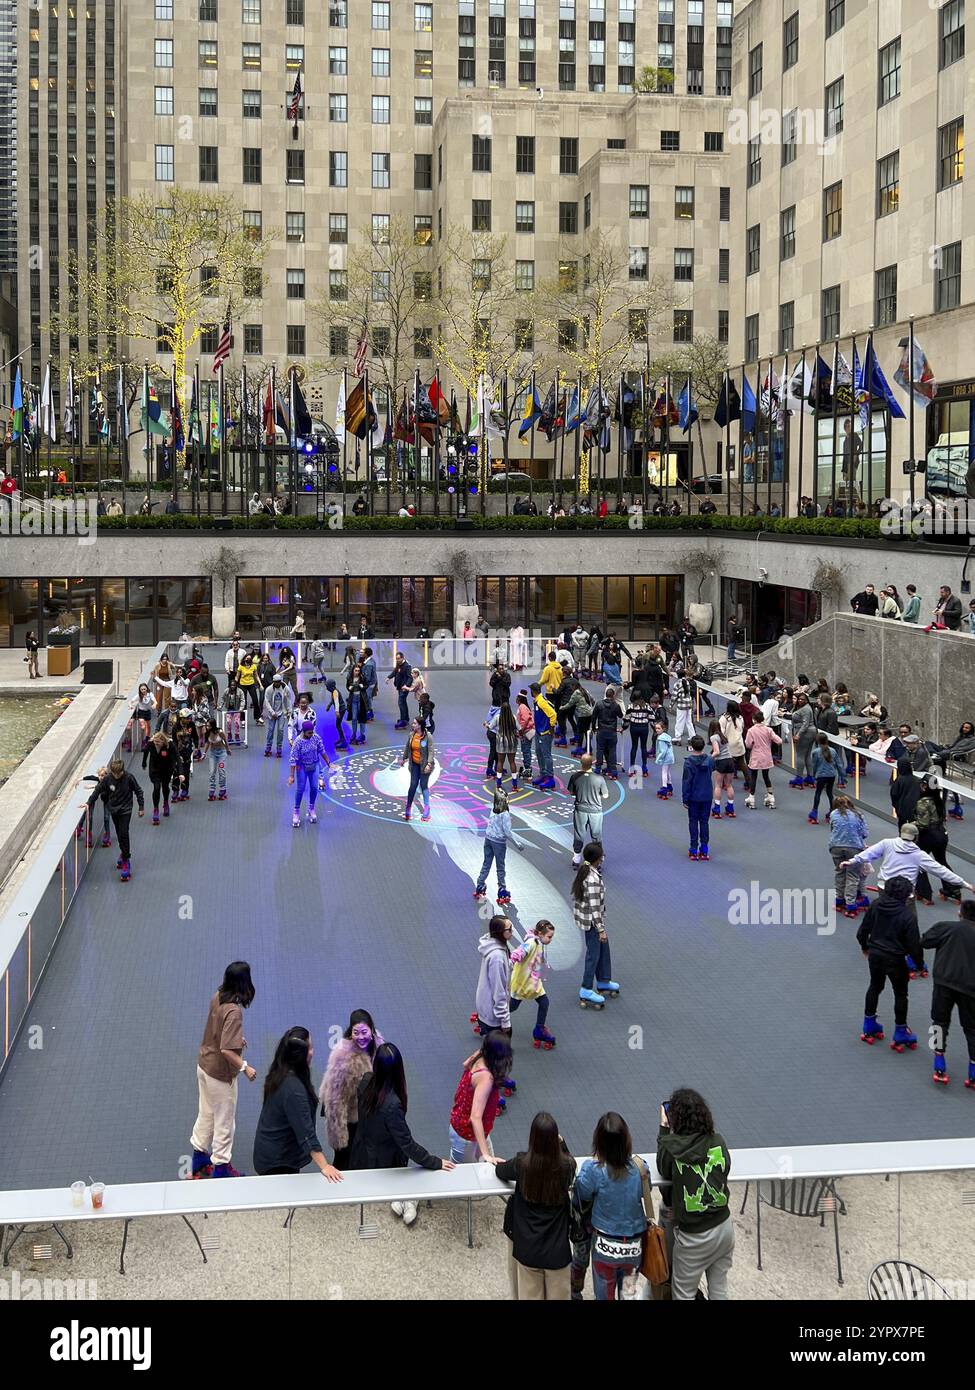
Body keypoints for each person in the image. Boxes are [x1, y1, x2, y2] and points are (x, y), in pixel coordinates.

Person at [349, 1043, 455, 1226]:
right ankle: (408, 1200)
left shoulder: (366, 1082)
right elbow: (406, 1143)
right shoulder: (392, 1105)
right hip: (386, 1160)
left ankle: (400, 1201)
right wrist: (434, 1162)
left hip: (363, 1153)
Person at [656, 1089, 734, 1301]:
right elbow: (725, 1169)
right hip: (724, 1228)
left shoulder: (674, 1149)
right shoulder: (718, 1141)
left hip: (694, 1238)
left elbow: (663, 1167)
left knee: (683, 1294)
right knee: (719, 1289)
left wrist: (664, 1129)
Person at [497, 1111, 575, 1301]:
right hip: (557, 1251)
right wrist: (562, 1143)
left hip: (527, 1248)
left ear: (532, 1138)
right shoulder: (565, 1167)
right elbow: (570, 1160)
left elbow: (501, 1170)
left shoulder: (522, 1164)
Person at [189, 961, 256, 1179]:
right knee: (225, 1122)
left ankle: (199, 1160)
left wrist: (237, 1037)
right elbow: (227, 1050)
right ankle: (221, 1168)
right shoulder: (234, 1010)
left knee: (206, 1113)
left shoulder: (217, 995)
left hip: (204, 1066)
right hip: (220, 1075)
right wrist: (245, 1067)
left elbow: (218, 1029)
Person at [573, 1113, 648, 1301]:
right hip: (634, 1246)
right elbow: (645, 1190)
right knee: (629, 1293)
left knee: (604, 1295)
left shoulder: (593, 1170)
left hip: (604, 1248)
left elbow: (581, 1193)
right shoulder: (640, 1168)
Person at [253, 1028, 343, 1182]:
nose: (313, 1052)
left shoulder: (281, 1071)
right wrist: (325, 1165)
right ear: (303, 1054)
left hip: (271, 1153)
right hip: (278, 1163)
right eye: (311, 1048)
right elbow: (305, 1132)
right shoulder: (294, 1089)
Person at [856, 878, 922, 1050]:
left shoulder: (876, 905)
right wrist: (919, 964)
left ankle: (869, 1024)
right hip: (896, 959)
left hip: (875, 955)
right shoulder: (908, 916)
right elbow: (914, 944)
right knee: (900, 994)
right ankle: (901, 1031)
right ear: (907, 895)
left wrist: (865, 946)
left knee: (875, 986)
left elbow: (862, 931)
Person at [319, 1010, 383, 1169]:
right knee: (345, 1160)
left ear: (372, 1030)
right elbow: (335, 1101)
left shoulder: (378, 1046)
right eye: (356, 1032)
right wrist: (339, 1138)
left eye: (364, 1032)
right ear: (350, 1032)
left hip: (362, 1111)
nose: (361, 1037)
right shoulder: (344, 1058)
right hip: (347, 1116)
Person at [921, 900, 975, 1088]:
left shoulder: (945, 927)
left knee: (939, 1022)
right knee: (972, 1029)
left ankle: (938, 1061)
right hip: (970, 988)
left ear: (960, 913)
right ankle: (973, 1070)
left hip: (943, 982)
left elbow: (925, 941)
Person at [840, 822, 972, 897]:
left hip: (884, 888)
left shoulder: (887, 843)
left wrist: (851, 861)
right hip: (905, 894)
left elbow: (868, 854)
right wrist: (966, 884)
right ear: (916, 838)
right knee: (908, 924)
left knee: (882, 917)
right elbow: (940, 871)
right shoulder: (919, 855)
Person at [448, 1031, 511, 1165]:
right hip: (467, 1136)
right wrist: (486, 1155)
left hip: (465, 1128)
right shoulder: (486, 1078)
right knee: (466, 1177)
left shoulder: (480, 1056)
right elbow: (475, 1117)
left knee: (488, 1166)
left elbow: (465, 1064)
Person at [84, 758, 144, 882]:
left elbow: (138, 791)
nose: (116, 776)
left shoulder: (129, 778)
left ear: (122, 771)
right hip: (114, 810)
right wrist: (88, 803)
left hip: (126, 810)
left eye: (119, 773)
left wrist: (141, 806)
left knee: (124, 833)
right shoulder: (108, 779)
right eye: (114, 774)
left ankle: (126, 861)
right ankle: (123, 853)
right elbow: (98, 790)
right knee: (119, 834)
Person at [573, 842, 618, 1008]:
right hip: (592, 922)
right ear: (597, 859)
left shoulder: (588, 871)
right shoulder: (591, 879)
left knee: (603, 949)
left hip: (590, 920)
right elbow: (594, 907)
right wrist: (601, 929)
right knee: (593, 955)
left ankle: (604, 980)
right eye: (602, 855)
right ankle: (585, 988)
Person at [509, 920, 556, 1050]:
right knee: (511, 1007)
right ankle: (488, 1018)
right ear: (540, 934)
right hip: (522, 983)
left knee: (544, 1002)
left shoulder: (540, 943)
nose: (551, 939)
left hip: (534, 982)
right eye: (549, 936)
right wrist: (513, 959)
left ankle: (539, 1029)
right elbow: (520, 951)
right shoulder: (531, 942)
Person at [828, 795, 870, 917]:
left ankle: (839, 899)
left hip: (835, 846)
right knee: (853, 874)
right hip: (854, 847)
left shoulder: (833, 814)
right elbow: (865, 833)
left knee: (840, 872)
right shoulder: (858, 814)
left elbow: (832, 829)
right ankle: (850, 904)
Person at [567, 753, 610, 868]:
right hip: (595, 811)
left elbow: (571, 792)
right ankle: (598, 860)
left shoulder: (575, 777)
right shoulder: (599, 778)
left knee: (579, 834)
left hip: (580, 810)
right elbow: (605, 795)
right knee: (596, 836)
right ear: (592, 764)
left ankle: (576, 859)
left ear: (581, 763)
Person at [288, 719, 331, 827]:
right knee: (300, 789)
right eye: (309, 733)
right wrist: (291, 776)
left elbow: (322, 751)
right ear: (304, 731)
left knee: (314, 787)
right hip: (302, 767)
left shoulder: (316, 737)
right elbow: (293, 759)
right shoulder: (298, 742)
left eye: (312, 732)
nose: (311, 734)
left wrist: (329, 763)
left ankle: (311, 808)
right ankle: (296, 811)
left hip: (314, 765)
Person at [682, 733, 714, 861]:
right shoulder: (710, 760)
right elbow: (712, 769)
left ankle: (694, 848)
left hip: (694, 797)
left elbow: (686, 782)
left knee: (693, 821)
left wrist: (685, 798)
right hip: (706, 795)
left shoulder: (688, 763)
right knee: (705, 822)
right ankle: (704, 848)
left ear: (691, 747)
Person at [744, 709, 781, 810]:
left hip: (756, 757)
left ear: (754, 720)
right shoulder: (768, 730)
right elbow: (779, 741)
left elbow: (747, 744)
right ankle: (771, 796)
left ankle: (751, 797)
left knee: (754, 777)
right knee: (766, 776)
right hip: (766, 757)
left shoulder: (751, 730)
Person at [401, 715, 435, 822]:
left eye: (415, 723)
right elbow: (408, 747)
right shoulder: (412, 735)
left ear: (420, 725)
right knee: (413, 785)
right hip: (414, 764)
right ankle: (408, 807)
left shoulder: (428, 737)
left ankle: (426, 808)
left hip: (425, 765)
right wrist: (404, 758)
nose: (413, 725)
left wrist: (429, 764)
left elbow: (431, 751)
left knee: (423, 785)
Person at [591, 684, 624, 781]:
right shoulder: (616, 705)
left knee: (600, 749)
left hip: (601, 730)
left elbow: (594, 717)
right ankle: (613, 771)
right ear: (613, 696)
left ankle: (597, 769)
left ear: (605, 694)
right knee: (612, 751)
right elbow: (621, 715)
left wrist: (593, 728)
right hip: (612, 731)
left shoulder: (599, 704)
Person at [142, 732, 175, 826]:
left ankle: (165, 802)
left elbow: (173, 758)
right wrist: (144, 763)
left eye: (158, 742)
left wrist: (173, 769)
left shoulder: (169, 745)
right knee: (156, 787)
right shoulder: (151, 744)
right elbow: (145, 752)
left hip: (166, 769)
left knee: (165, 787)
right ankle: (156, 809)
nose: (156, 743)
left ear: (162, 741)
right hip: (155, 770)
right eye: (155, 742)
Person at [708, 717, 736, 819]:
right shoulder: (723, 736)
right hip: (730, 761)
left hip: (721, 762)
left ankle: (717, 808)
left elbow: (717, 752)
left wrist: (708, 759)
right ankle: (730, 807)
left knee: (718, 786)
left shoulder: (713, 737)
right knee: (729, 785)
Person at [530, 682, 557, 789]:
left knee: (546, 755)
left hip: (544, 733)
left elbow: (553, 714)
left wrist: (551, 728)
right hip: (539, 732)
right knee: (538, 752)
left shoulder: (541, 702)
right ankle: (543, 773)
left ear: (533, 691)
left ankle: (550, 778)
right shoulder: (538, 701)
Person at [807, 734, 838, 823]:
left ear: (818, 741)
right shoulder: (833, 750)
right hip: (831, 775)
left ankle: (814, 813)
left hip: (821, 776)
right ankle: (833, 812)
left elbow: (814, 765)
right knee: (829, 793)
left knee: (818, 793)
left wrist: (813, 776)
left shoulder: (815, 752)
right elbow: (837, 763)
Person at [262, 673, 294, 758]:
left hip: (282, 713)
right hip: (272, 714)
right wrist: (272, 712)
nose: (277, 683)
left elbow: (288, 700)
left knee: (280, 730)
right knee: (270, 730)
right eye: (276, 682)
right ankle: (268, 747)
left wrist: (289, 712)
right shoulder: (269, 689)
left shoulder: (285, 688)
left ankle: (279, 748)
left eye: (279, 682)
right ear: (273, 682)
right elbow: (267, 702)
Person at [202, 717, 230, 802]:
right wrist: (204, 753)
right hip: (213, 753)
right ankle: (212, 789)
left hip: (221, 753)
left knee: (221, 771)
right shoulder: (206, 733)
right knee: (212, 772)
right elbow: (207, 743)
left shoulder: (220, 732)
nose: (207, 727)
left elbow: (225, 740)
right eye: (207, 726)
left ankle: (223, 789)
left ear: (213, 726)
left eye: (209, 726)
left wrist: (228, 749)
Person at [388, 651, 413, 729]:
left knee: (401, 703)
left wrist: (406, 686)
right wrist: (389, 677)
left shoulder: (407, 666)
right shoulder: (399, 664)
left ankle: (403, 720)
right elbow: (395, 671)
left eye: (398, 658)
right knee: (403, 703)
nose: (397, 660)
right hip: (399, 687)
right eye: (396, 659)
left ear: (403, 658)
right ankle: (406, 719)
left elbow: (410, 677)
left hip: (404, 688)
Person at [236, 650, 263, 724]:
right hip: (242, 685)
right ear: (245, 659)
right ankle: (242, 719)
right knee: (244, 703)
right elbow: (237, 677)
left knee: (255, 701)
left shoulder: (253, 666)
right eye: (247, 658)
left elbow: (256, 676)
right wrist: (235, 686)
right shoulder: (241, 666)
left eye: (250, 658)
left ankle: (258, 717)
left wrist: (260, 685)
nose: (249, 660)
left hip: (251, 685)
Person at [129, 683, 156, 751]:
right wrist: (130, 706)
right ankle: (142, 741)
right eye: (142, 689)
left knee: (148, 726)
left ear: (146, 688)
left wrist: (154, 704)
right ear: (140, 690)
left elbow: (155, 701)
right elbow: (130, 701)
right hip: (141, 712)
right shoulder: (139, 695)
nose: (143, 691)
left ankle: (146, 738)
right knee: (143, 726)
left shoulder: (150, 694)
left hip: (147, 712)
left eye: (144, 689)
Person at [347, 663, 368, 744]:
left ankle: (362, 734)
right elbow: (347, 686)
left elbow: (366, 685)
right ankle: (354, 733)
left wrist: (363, 686)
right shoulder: (350, 678)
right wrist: (349, 688)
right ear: (353, 671)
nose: (357, 672)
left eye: (358, 671)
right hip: (354, 700)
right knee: (354, 717)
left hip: (361, 700)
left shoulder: (362, 677)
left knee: (362, 718)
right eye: (356, 670)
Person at [653, 719, 675, 800]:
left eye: (659, 728)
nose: (657, 730)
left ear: (663, 729)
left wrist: (658, 759)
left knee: (664, 772)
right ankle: (669, 786)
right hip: (670, 757)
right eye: (656, 728)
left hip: (666, 758)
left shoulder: (661, 739)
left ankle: (664, 788)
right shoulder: (667, 737)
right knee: (668, 771)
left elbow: (663, 751)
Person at [221, 676, 245, 746]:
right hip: (229, 709)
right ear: (229, 685)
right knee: (228, 722)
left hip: (237, 709)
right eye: (231, 685)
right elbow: (223, 699)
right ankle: (229, 735)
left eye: (234, 685)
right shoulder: (226, 691)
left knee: (237, 722)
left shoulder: (240, 691)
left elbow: (243, 700)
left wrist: (241, 708)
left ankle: (237, 735)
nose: (233, 686)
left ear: (236, 685)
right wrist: (220, 706)